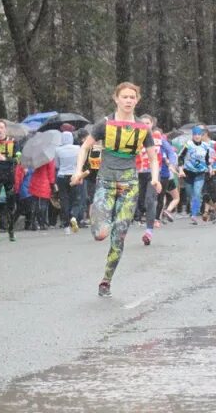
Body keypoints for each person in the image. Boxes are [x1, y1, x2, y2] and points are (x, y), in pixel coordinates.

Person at [72, 82, 160, 298]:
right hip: (106, 182)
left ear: (137, 100)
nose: (129, 100)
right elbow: (85, 147)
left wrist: (155, 178)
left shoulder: (143, 128)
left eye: (132, 97)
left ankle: (106, 280)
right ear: (116, 99)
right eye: (125, 97)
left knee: (119, 236)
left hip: (130, 185)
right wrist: (77, 171)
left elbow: (152, 157)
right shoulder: (105, 124)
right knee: (101, 234)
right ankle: (103, 222)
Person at [0, 120, 18, 242]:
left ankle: (11, 230)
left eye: (1, 127)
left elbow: (18, 160)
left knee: (10, 205)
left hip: (9, 176)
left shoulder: (14, 142)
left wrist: (5, 158)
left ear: (5, 129)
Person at [178, 126, 212, 225]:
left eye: (199, 134)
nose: (197, 136)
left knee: (197, 193)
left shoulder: (205, 146)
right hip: (188, 173)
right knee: (190, 195)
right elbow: (180, 157)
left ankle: (194, 214)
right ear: (192, 135)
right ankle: (194, 209)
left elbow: (207, 159)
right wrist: (180, 169)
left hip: (200, 173)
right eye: (195, 134)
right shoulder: (188, 145)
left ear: (201, 135)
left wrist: (210, 168)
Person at [55, 130, 82, 235]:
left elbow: (56, 165)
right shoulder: (78, 148)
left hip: (61, 176)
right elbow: (80, 162)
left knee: (64, 199)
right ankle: (73, 216)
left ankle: (66, 225)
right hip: (74, 175)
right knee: (76, 198)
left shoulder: (57, 150)